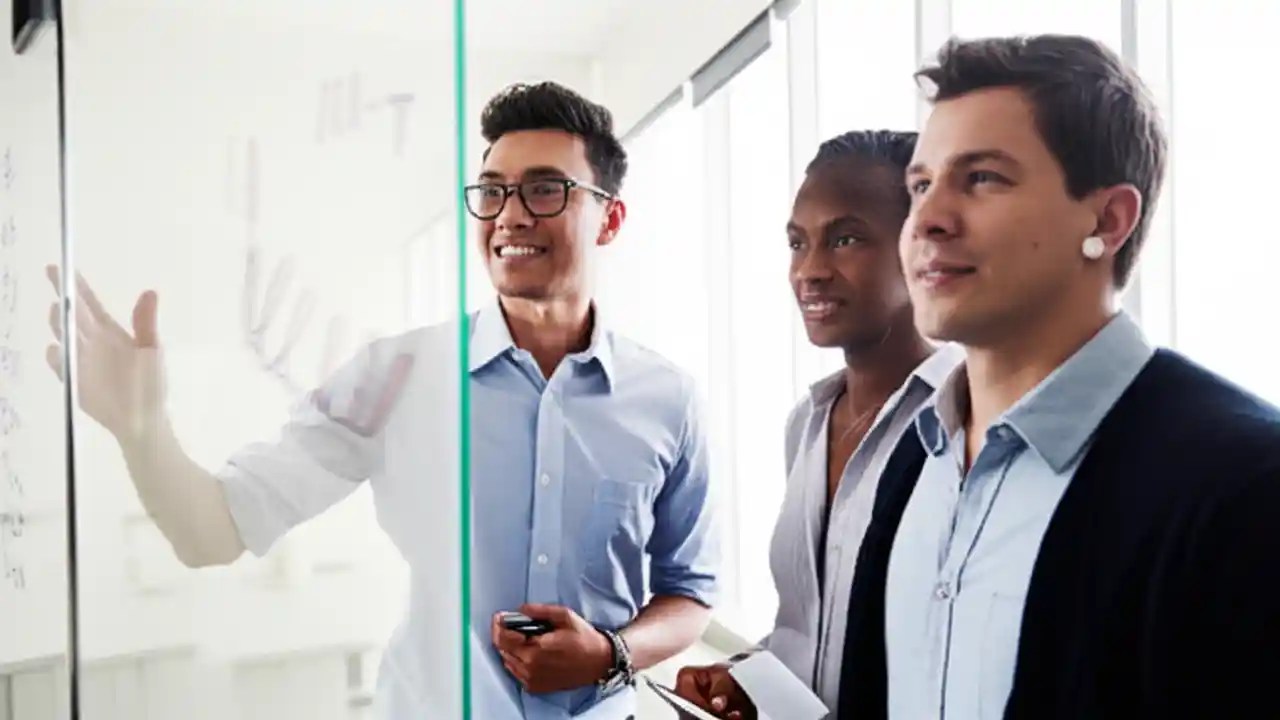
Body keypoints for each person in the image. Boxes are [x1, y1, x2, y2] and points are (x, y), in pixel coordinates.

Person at [46, 81, 718, 720]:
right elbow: (210, 532)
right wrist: (142, 430)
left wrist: (611, 655)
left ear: (610, 218)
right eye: (491, 191)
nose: (511, 214)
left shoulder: (668, 400)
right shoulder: (396, 375)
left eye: (545, 189)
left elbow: (688, 592)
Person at [837, 35, 1280, 719]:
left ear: (1108, 219)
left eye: (982, 178)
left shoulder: (1242, 479)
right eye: (920, 185)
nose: (927, 219)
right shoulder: (913, 459)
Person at [672, 131, 962, 718]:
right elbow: (810, 631)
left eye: (845, 239)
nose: (810, 270)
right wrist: (745, 679)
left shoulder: (965, 420)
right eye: (797, 243)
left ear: (920, 246)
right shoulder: (807, 423)